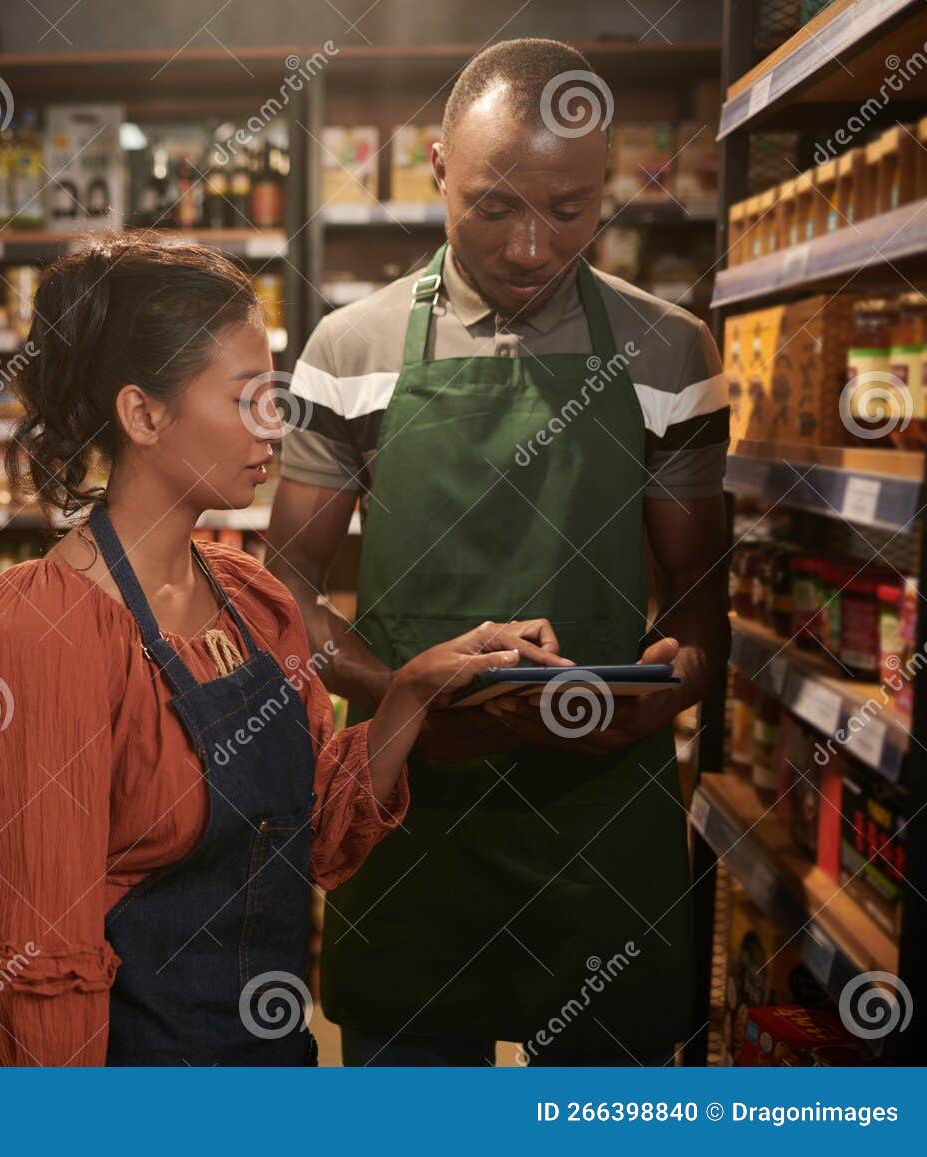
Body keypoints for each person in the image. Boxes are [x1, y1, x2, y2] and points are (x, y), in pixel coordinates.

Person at [0, 235, 570, 1066]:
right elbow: (37, 961)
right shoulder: (49, 631)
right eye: (246, 398)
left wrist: (413, 690)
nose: (274, 423)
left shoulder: (249, 600)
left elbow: (313, 831)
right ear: (144, 414)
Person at [266, 38, 730, 1066]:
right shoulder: (351, 351)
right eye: (492, 206)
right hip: (409, 822)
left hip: (598, 824)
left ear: (606, 183)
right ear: (436, 166)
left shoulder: (668, 352)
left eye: (568, 210)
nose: (529, 246)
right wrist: (409, 701)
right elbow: (281, 595)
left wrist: (655, 693)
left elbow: (701, 617)